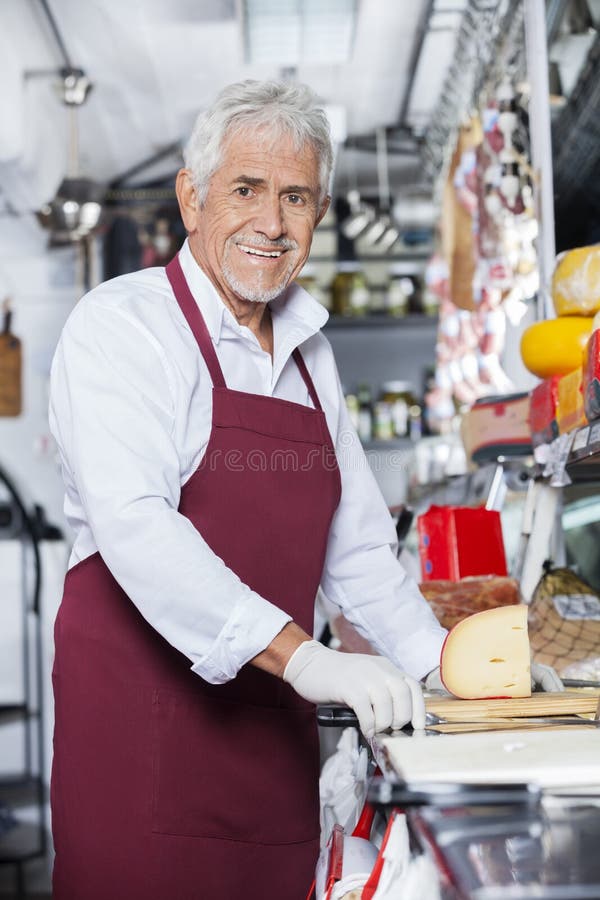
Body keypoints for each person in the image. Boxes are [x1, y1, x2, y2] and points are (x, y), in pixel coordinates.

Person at [48, 80, 560, 900]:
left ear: (319, 213)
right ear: (192, 195)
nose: (271, 224)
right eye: (245, 190)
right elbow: (136, 526)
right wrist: (308, 658)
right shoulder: (122, 327)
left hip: (270, 748)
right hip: (140, 747)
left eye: (296, 198)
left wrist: (450, 671)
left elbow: (358, 553)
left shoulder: (311, 354)